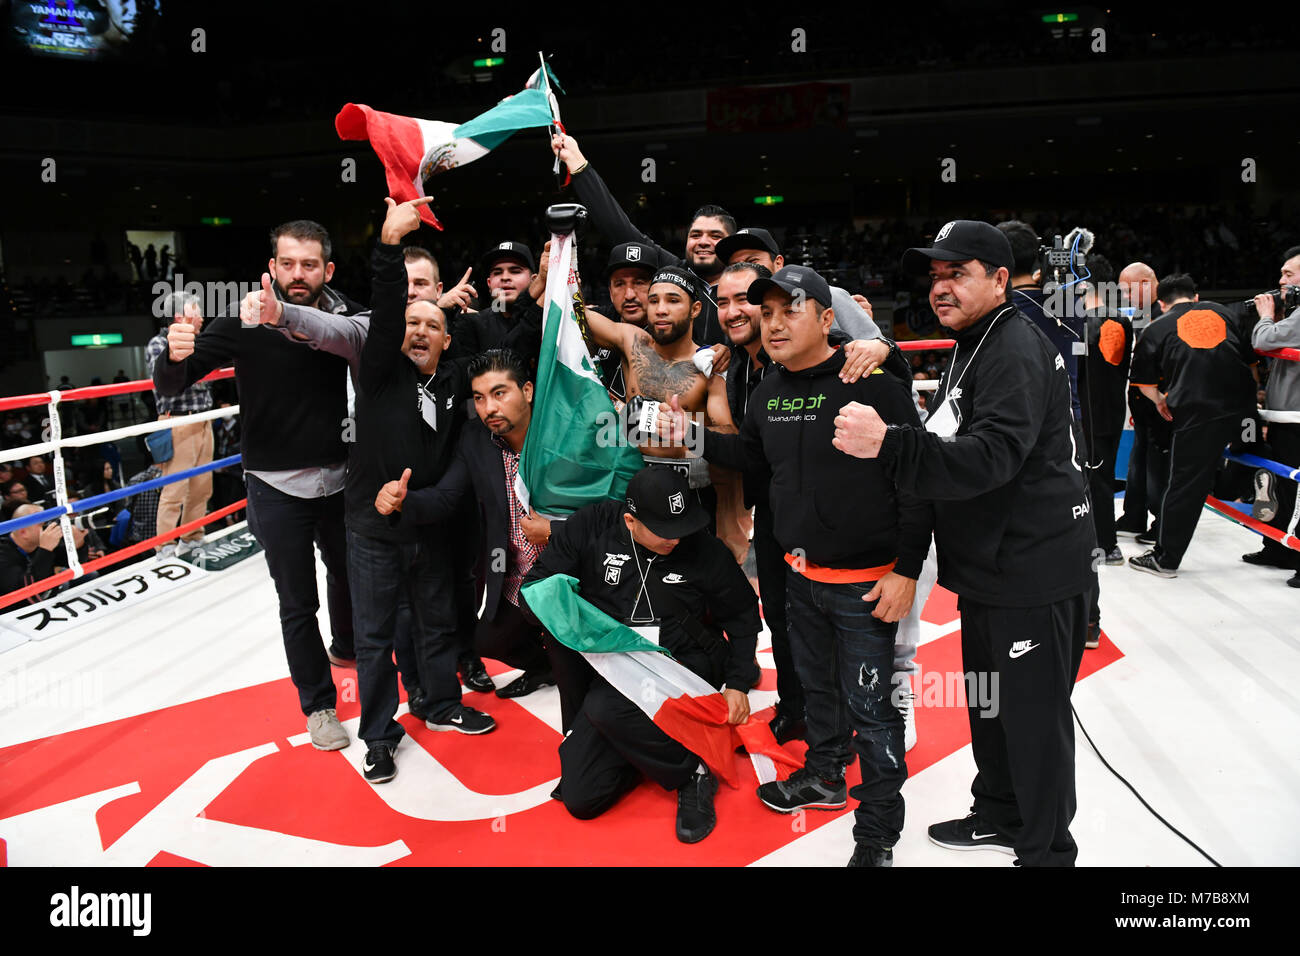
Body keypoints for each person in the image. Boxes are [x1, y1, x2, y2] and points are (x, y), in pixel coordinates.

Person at [831, 220, 1095, 866]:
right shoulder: (973, 342)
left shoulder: (1011, 347)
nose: (941, 287)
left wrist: (889, 444)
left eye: (959, 273)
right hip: (990, 566)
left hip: (1031, 568)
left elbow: (993, 457)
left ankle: (1046, 851)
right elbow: (955, 435)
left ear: (1001, 279)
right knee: (991, 705)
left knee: (1031, 721)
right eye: (936, 274)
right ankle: (1002, 814)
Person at [663, 263, 933, 866]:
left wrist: (907, 571)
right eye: (768, 312)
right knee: (818, 693)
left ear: (826, 318)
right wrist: (692, 434)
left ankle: (878, 835)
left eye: (791, 310)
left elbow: (918, 480)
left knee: (875, 712)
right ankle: (824, 776)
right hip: (798, 576)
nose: (776, 324)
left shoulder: (871, 377)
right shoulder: (770, 388)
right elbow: (754, 457)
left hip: (867, 584)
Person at [244, 196, 498, 783]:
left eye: (432, 325)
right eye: (411, 323)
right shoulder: (379, 369)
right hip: (370, 527)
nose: (420, 331)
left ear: (445, 338)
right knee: (377, 633)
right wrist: (387, 245)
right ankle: (380, 736)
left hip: (426, 525)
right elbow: (383, 314)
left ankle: (438, 704)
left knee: (435, 623)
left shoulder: (455, 382)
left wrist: (424, 504)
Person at [155, 219, 361, 752]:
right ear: (272, 267)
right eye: (287, 263)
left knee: (348, 577)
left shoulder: (340, 318)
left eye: (309, 264)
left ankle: (348, 647)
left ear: (327, 270)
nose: (297, 274)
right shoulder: (243, 320)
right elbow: (176, 382)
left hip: (341, 477)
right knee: (297, 602)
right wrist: (172, 355)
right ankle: (318, 706)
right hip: (274, 484)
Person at [519, 467, 761, 844]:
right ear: (630, 520)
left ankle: (691, 773)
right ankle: (642, 750)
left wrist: (739, 682)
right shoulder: (591, 527)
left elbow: (744, 614)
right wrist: (566, 611)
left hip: (683, 663)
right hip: (614, 666)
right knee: (583, 797)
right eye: (666, 530)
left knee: (606, 709)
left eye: (684, 526)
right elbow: (534, 592)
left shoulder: (701, 546)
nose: (678, 539)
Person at [375, 349, 562, 715]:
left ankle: (570, 666)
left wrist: (555, 530)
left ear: (527, 390)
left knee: (579, 658)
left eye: (499, 393)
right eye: (479, 397)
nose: (488, 407)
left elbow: (606, 508)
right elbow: (446, 498)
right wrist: (402, 503)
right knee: (486, 642)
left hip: (570, 570)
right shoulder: (476, 438)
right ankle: (545, 668)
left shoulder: (561, 432)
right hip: (517, 575)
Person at [1128, 274, 1260, 577]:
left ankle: (1165, 558)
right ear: (1196, 297)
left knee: (1185, 483)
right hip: (1244, 410)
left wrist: (1161, 399)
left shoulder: (1156, 327)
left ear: (1161, 303)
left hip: (1197, 412)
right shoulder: (1227, 313)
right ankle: (1244, 486)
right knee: (1255, 453)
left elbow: (1144, 384)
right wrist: (1250, 400)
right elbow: (1252, 365)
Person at [551, 130, 730, 346]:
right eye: (696, 234)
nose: (703, 241)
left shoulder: (746, 284)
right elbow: (619, 230)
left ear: (730, 243)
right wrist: (577, 163)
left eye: (715, 236)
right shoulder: (676, 272)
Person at [1076, 255, 1134, 629]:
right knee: (1099, 481)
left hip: (1092, 416)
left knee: (1096, 483)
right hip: (1106, 414)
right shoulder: (1113, 321)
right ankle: (1105, 542)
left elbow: (1104, 364)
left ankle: (1106, 544)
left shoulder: (1100, 322)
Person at [1246, 246, 1300, 586]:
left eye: (1289, 274)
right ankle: (1278, 548)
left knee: (1296, 491)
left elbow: (1263, 340)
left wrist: (1266, 315)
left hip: (1296, 418)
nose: (1281, 281)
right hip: (1285, 416)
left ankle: (1294, 554)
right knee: (1282, 488)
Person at [146, 292, 214, 557]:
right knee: (175, 488)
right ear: (180, 316)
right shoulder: (158, 344)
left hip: (202, 418)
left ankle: (193, 535)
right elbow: (172, 381)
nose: (201, 317)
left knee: (202, 485)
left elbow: (203, 378)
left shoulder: (202, 342)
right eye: (196, 311)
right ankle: (164, 544)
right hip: (176, 420)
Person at [1115, 262, 1167, 541]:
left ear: (1146, 284)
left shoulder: (1165, 313)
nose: (1125, 297)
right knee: (1139, 459)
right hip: (1142, 401)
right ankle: (1134, 516)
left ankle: (1161, 525)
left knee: (1158, 464)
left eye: (1128, 290)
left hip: (1158, 401)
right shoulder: (1142, 314)